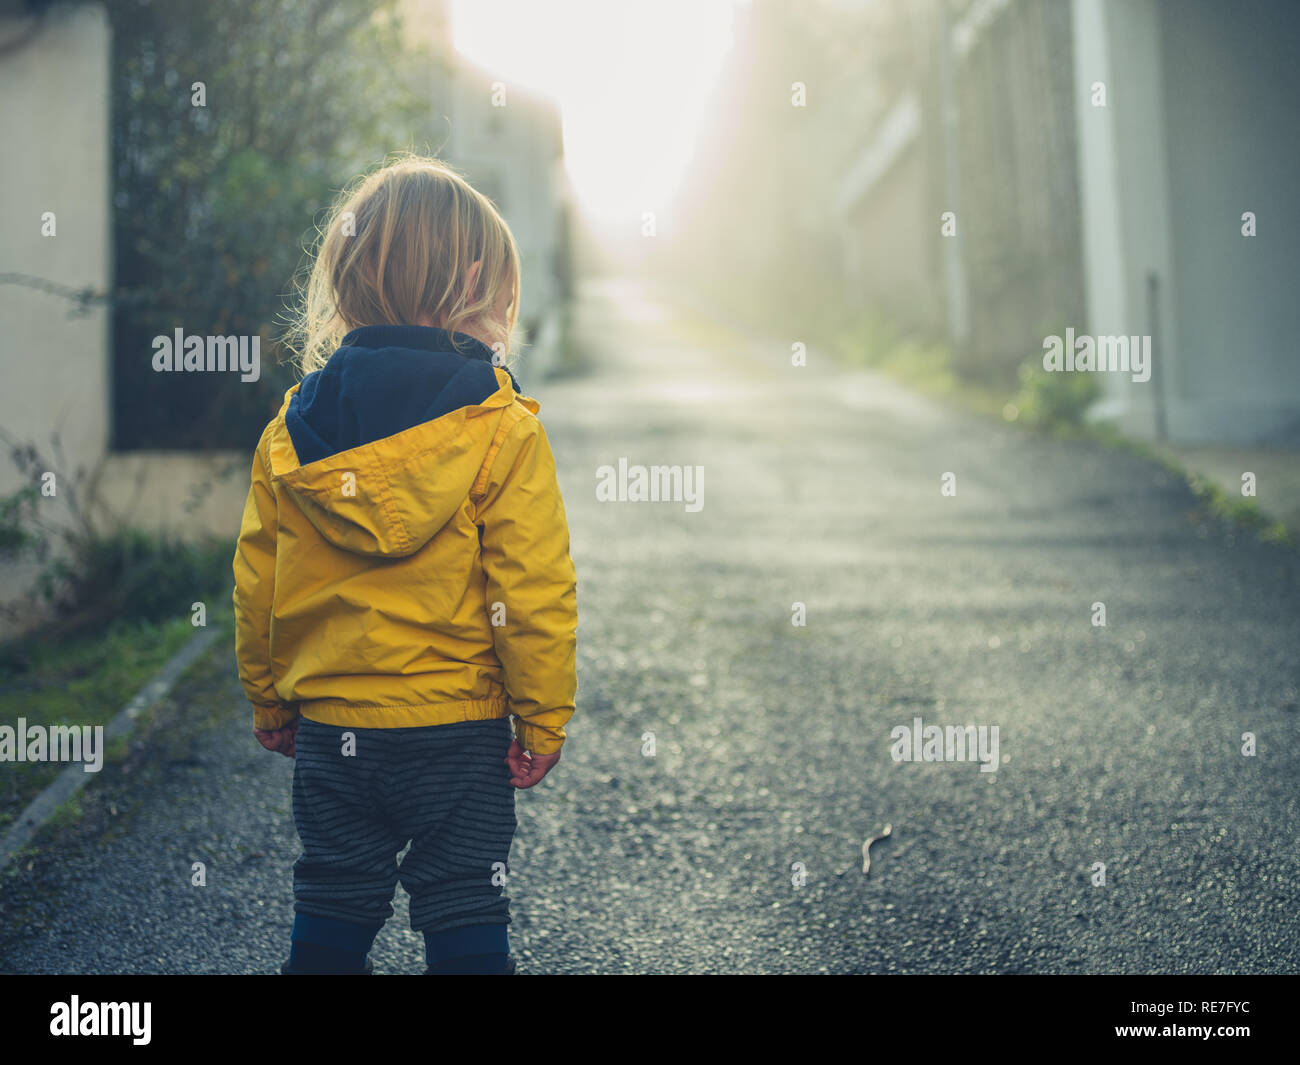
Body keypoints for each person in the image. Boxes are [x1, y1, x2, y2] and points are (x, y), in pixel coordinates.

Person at [231, 155, 578, 975]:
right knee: (465, 902)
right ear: (472, 280)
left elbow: (258, 578)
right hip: (458, 732)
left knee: (332, 896)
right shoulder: (502, 427)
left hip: (335, 730)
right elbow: (532, 590)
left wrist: (269, 697)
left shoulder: (293, 427)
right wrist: (542, 719)